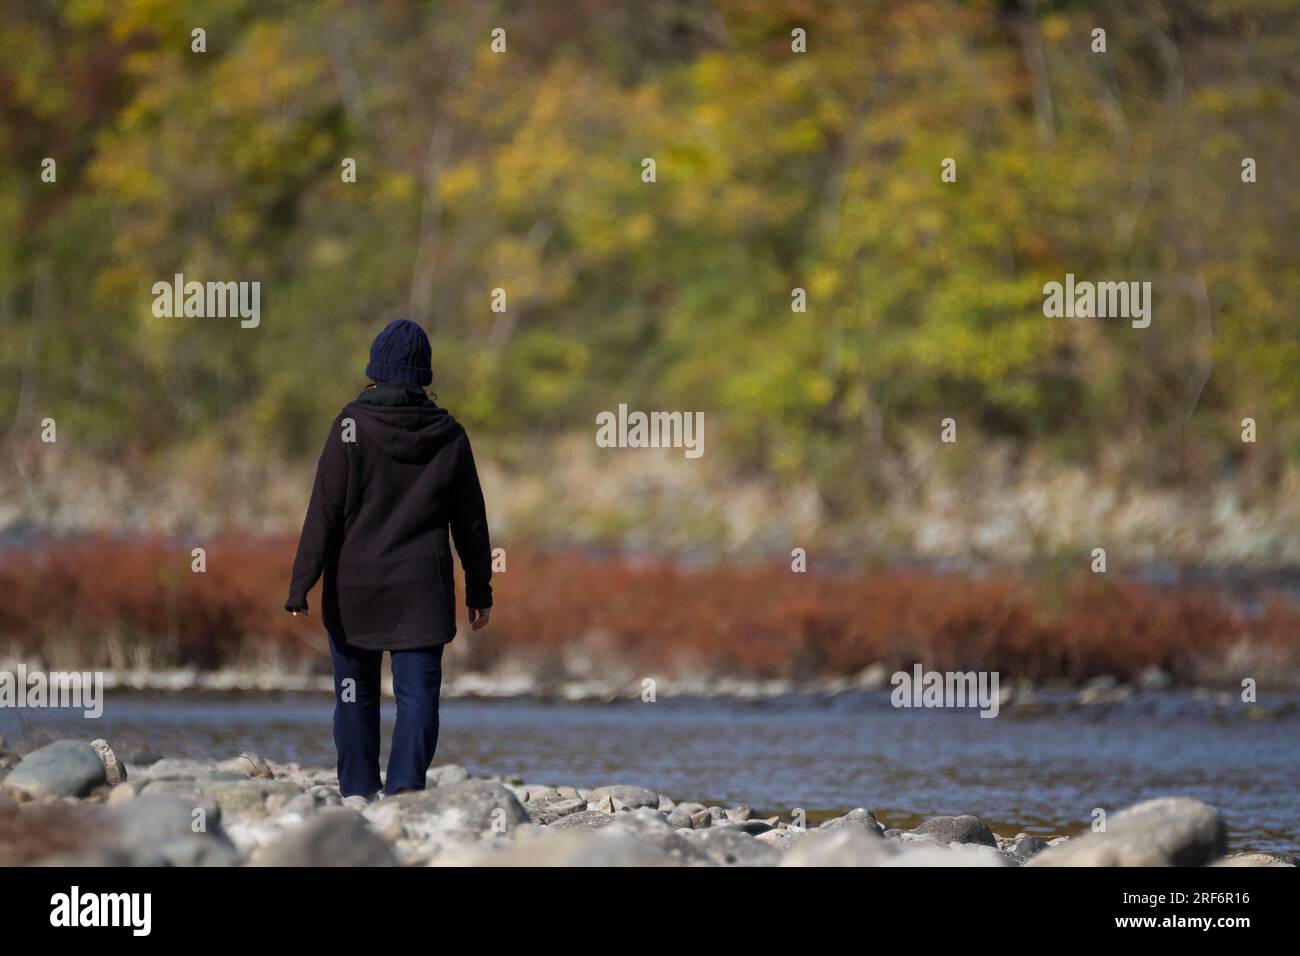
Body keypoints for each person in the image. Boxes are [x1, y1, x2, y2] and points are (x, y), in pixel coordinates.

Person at [284, 318, 493, 800]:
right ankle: (405, 793)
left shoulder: (350, 427)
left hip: (355, 590)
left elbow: (323, 513)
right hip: (422, 593)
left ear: (375, 370)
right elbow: (472, 524)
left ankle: (357, 792)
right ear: (424, 375)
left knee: (353, 697)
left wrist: (302, 584)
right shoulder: (449, 434)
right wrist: (479, 591)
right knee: (419, 699)